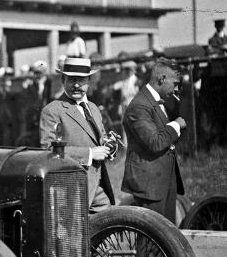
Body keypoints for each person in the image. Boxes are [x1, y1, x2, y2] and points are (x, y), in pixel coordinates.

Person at [39, 57, 114, 213]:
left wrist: (110, 146)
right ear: (62, 80)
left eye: (81, 80)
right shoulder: (53, 110)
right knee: (72, 233)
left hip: (97, 185)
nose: (77, 85)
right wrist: (90, 154)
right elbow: (48, 150)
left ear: (89, 80)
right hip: (71, 186)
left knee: (104, 227)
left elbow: (101, 138)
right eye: (72, 80)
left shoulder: (93, 108)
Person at [121, 58, 187, 223]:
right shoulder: (139, 106)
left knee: (165, 239)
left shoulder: (159, 101)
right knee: (149, 242)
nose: (177, 89)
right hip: (150, 185)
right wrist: (176, 125)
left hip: (163, 180)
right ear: (162, 79)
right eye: (175, 83)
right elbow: (155, 142)